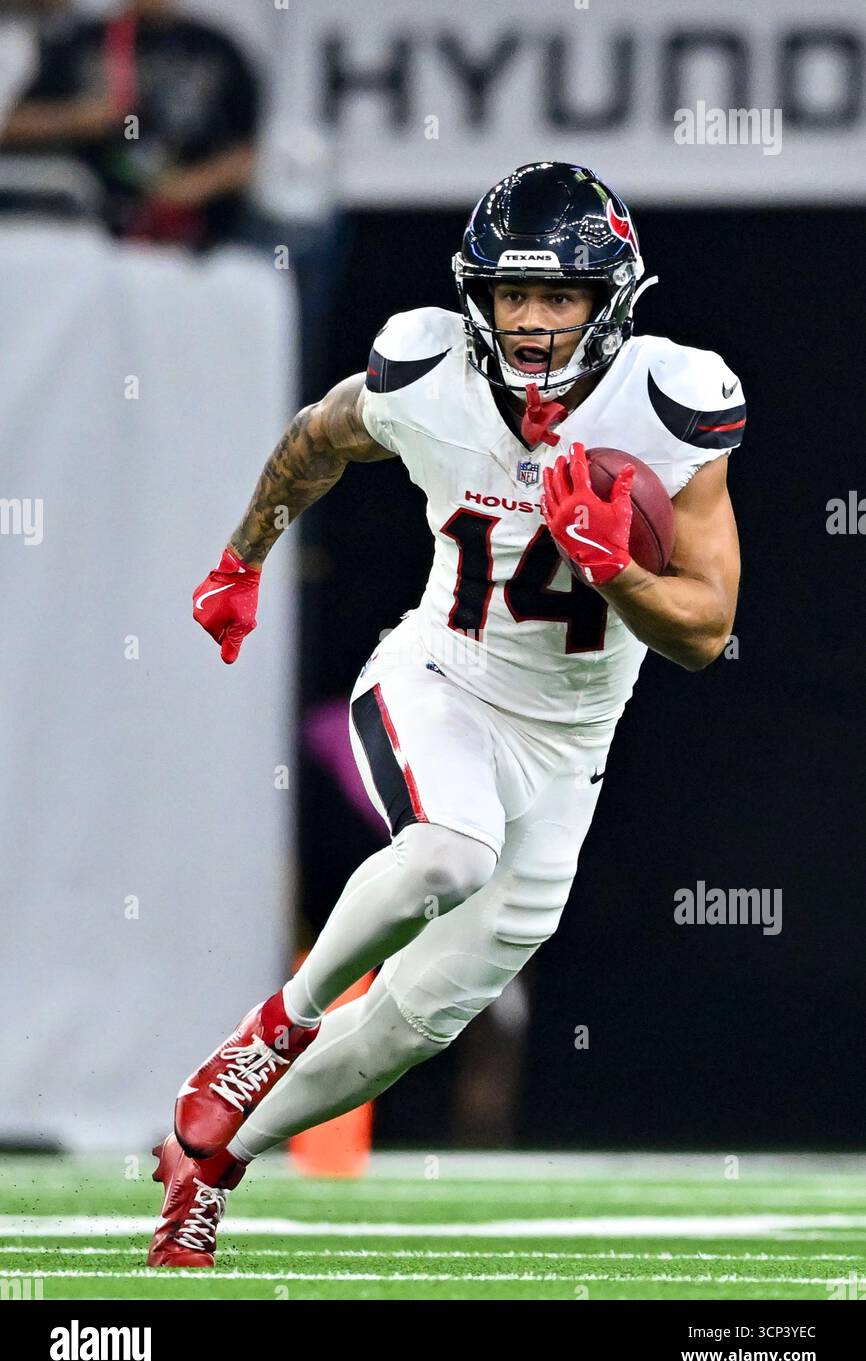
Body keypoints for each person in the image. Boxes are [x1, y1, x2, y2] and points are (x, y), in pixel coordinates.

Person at [148, 162, 745, 1267]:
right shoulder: (426, 368)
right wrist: (241, 559)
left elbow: (705, 633)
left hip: (570, 749)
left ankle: (211, 1161)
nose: (529, 319)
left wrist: (612, 572)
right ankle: (271, 1026)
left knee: (414, 1024)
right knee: (446, 854)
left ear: (608, 298)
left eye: (557, 296)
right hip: (442, 680)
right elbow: (317, 437)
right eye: (512, 294)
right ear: (478, 292)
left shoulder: (670, 401)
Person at [0, 0, 259, 248]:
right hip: (89, 231)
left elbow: (252, 153)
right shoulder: (81, 43)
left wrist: (194, 185)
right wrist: (74, 117)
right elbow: (10, 125)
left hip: (195, 239)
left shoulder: (216, 49)